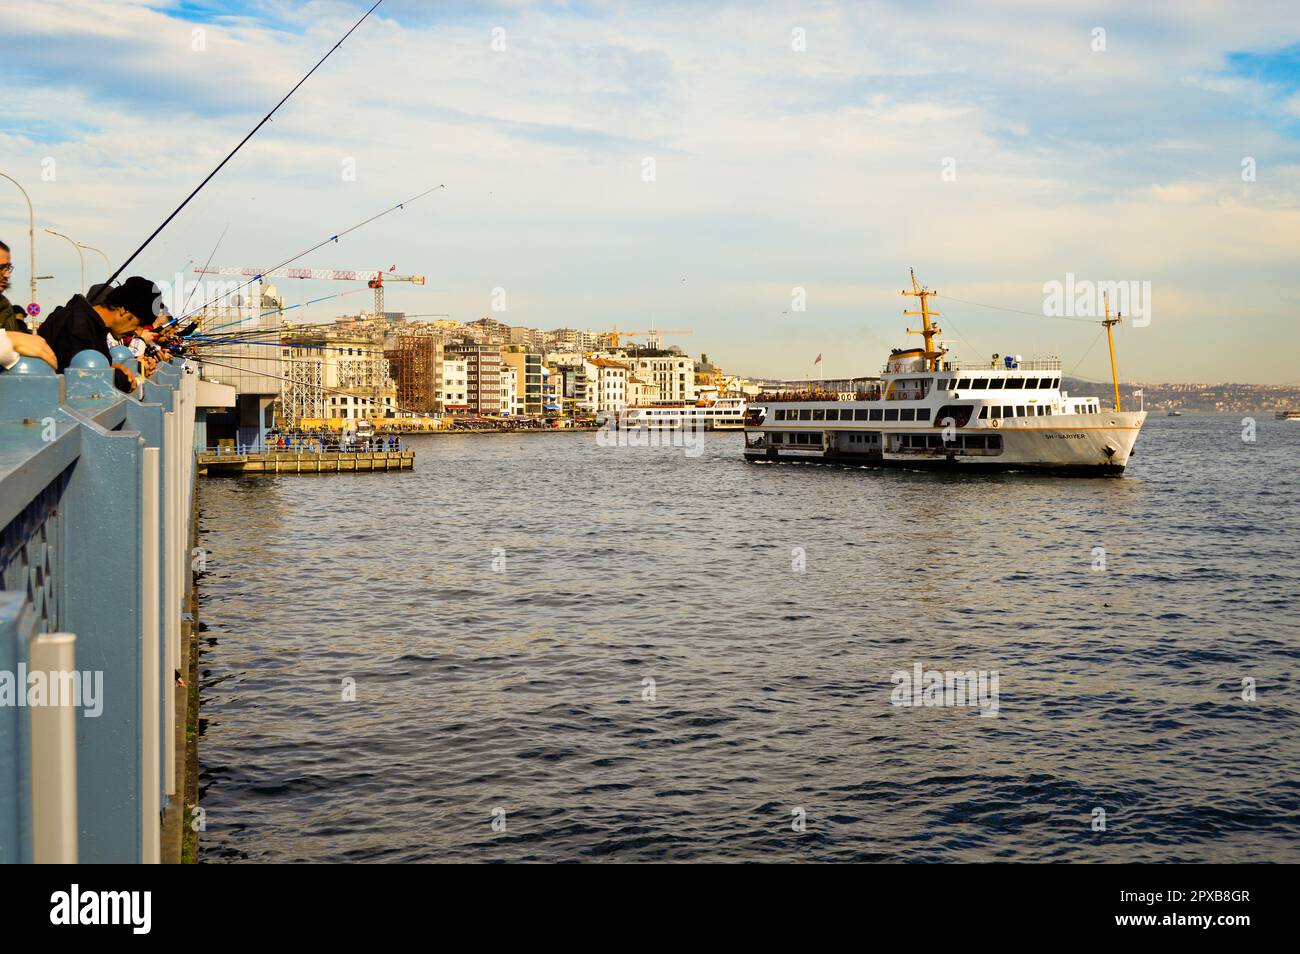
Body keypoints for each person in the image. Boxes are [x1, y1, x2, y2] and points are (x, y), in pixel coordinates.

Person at [39, 277, 167, 391]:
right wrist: (120, 379)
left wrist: (113, 368)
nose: (137, 331)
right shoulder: (77, 327)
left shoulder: (89, 323)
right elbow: (83, 382)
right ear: (124, 310)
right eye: (139, 324)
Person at [0, 240, 31, 333]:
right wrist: (14, 339)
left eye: (8, 268)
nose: (7, 275)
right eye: (1, 268)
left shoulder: (4, 305)